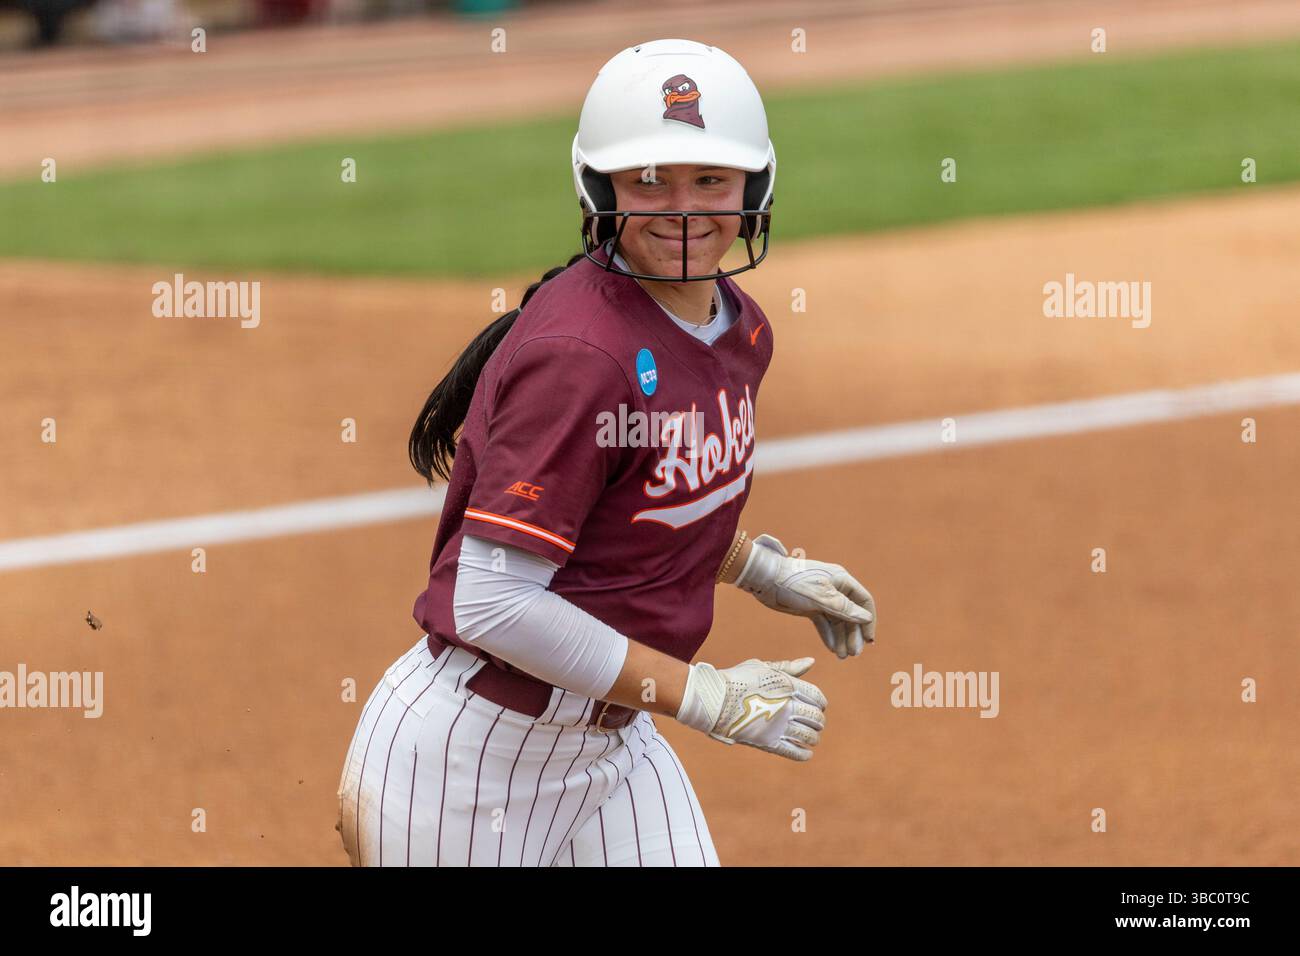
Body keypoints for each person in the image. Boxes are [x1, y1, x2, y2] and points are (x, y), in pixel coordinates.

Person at [337, 38, 876, 868]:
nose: (685, 210)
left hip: (614, 750)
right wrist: (710, 698)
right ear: (602, 191)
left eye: (710, 180)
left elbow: (638, 506)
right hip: (470, 763)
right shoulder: (582, 358)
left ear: (754, 189)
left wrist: (764, 572)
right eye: (649, 180)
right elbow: (492, 604)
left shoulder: (740, 326)